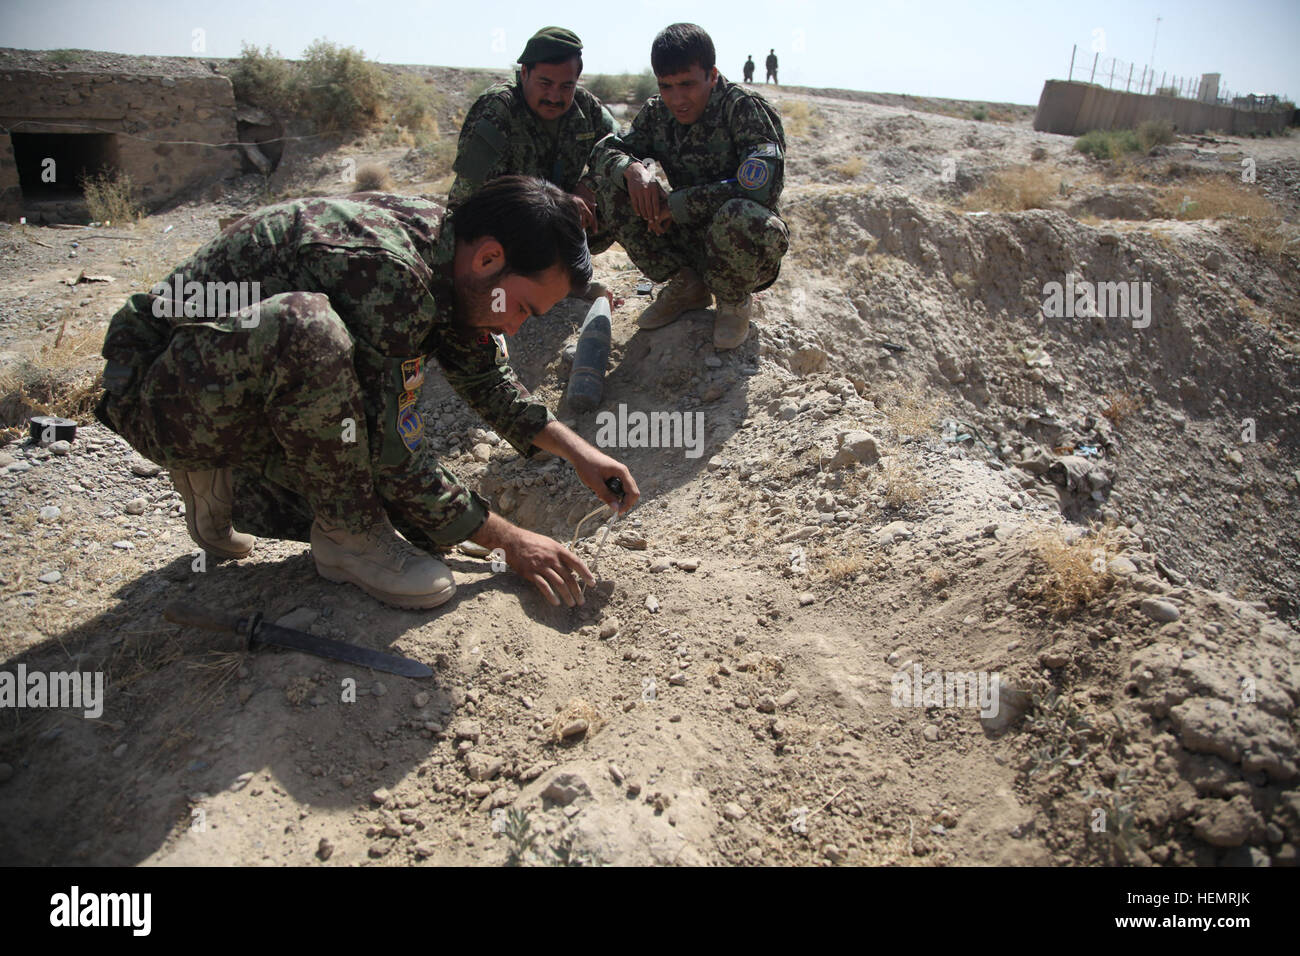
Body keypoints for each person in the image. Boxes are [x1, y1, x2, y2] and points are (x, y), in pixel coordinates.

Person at [94, 176, 639, 611]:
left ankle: (227, 479)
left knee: (422, 527)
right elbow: (392, 453)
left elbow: (484, 376)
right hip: (155, 395)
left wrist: (579, 453)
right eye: (522, 307)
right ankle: (347, 537)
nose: (515, 328)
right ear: (489, 258)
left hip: (220, 384)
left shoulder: (453, 257)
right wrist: (511, 541)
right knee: (307, 328)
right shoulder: (392, 274)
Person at [588, 23, 789, 350]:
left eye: (687, 84)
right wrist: (633, 170)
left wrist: (679, 205)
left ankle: (732, 299)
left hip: (743, 247)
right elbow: (603, 151)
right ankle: (688, 284)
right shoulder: (658, 112)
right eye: (666, 86)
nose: (677, 99)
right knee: (612, 184)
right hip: (686, 237)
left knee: (741, 213)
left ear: (712, 74)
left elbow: (761, 189)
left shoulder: (743, 109)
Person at [449, 25, 617, 304]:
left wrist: (590, 184)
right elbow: (467, 202)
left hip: (558, 225)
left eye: (566, 86)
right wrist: (558, 202)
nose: (554, 96)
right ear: (524, 73)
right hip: (503, 228)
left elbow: (621, 146)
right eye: (545, 83)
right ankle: (523, 286)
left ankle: (562, 280)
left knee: (623, 188)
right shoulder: (497, 111)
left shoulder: (585, 107)